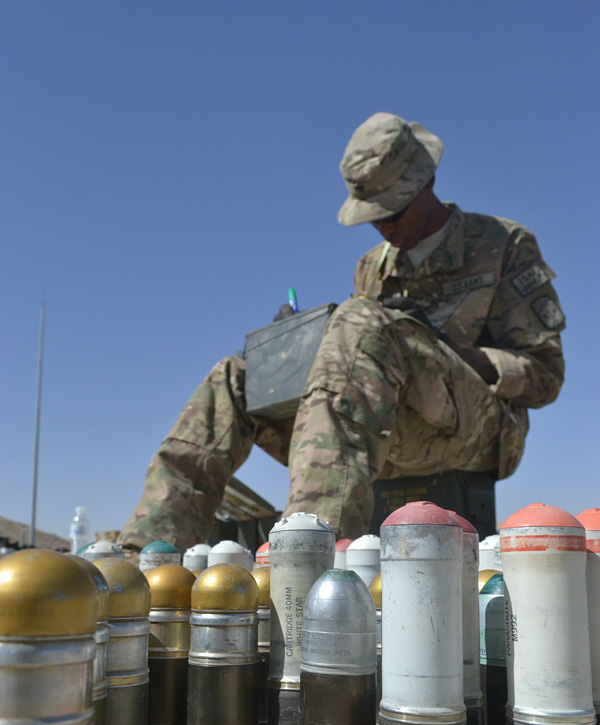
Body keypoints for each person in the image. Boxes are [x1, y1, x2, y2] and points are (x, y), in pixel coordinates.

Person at [118, 112, 565, 554]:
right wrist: (303, 345)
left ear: (427, 181)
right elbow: (354, 368)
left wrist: (448, 348)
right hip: (393, 425)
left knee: (358, 322)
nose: (384, 227)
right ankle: (144, 562)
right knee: (239, 377)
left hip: (481, 432)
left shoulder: (503, 244)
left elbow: (545, 375)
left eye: (393, 212)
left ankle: (308, 560)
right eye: (375, 217)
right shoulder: (371, 267)